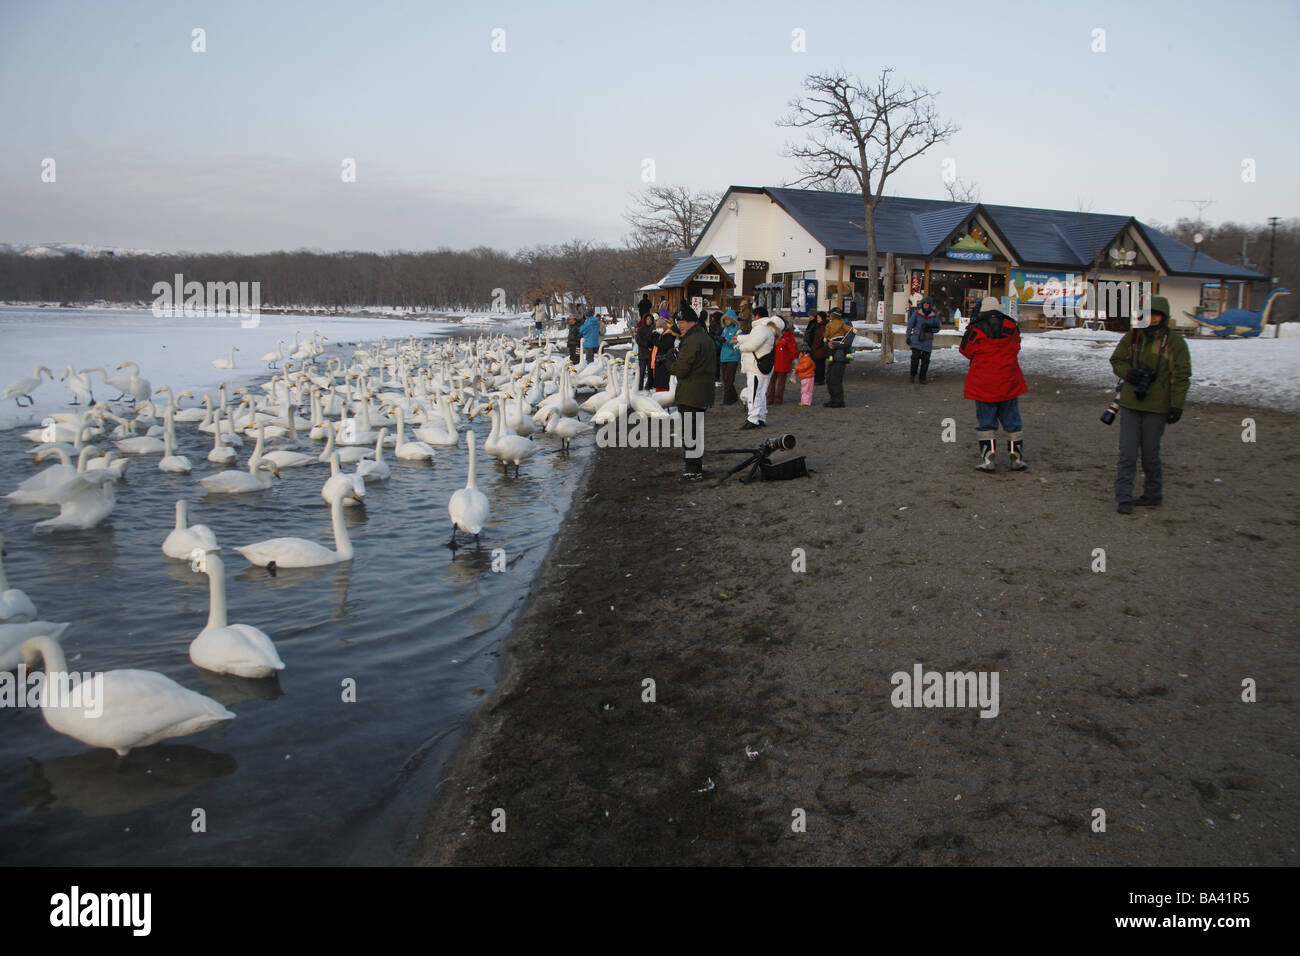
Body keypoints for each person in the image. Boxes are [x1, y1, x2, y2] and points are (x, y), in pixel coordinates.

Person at [1109, 295, 1191, 515]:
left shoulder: (1174, 342)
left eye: (1156, 315)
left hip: (1157, 406)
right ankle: (1124, 497)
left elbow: (1182, 375)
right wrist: (1129, 374)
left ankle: (1153, 494)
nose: (1152, 319)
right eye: (1148, 314)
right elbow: (1116, 360)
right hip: (1131, 403)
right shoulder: (1133, 336)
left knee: (1149, 454)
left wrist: (1176, 405)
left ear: (1164, 317)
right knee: (1127, 453)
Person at [960, 296, 1028, 473]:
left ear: (983, 309)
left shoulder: (975, 328)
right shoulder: (1011, 326)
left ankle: (988, 460)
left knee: (986, 422)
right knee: (1012, 421)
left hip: (984, 381)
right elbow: (1016, 347)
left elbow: (965, 350)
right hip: (1008, 380)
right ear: (999, 308)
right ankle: (1016, 459)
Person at [670, 305, 715, 480]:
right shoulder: (704, 337)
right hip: (701, 393)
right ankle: (696, 468)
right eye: (678, 323)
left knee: (690, 434)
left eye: (681, 322)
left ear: (691, 322)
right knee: (695, 432)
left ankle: (692, 471)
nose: (679, 326)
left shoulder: (692, 341)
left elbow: (681, 370)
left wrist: (669, 365)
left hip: (691, 394)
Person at [736, 307, 780, 430]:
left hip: (757, 367)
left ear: (757, 316)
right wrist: (740, 338)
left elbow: (753, 344)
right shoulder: (766, 329)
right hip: (764, 365)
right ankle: (760, 417)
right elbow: (752, 338)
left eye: (753, 315)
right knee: (761, 393)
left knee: (754, 392)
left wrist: (740, 346)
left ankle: (753, 419)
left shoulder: (760, 328)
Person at [906, 296, 942, 384]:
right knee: (915, 360)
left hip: (928, 341)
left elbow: (938, 327)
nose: (925, 305)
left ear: (930, 305)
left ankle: (922, 378)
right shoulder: (917, 313)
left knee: (925, 361)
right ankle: (912, 375)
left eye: (927, 303)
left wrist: (931, 329)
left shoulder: (934, 315)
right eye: (924, 303)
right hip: (916, 340)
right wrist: (908, 336)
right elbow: (910, 325)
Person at [822, 308, 854, 407]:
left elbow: (847, 342)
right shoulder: (831, 325)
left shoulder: (847, 327)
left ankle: (839, 401)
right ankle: (833, 399)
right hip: (832, 355)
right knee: (829, 379)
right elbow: (826, 340)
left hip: (841, 356)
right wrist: (828, 344)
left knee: (836, 379)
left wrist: (834, 345)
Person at [767, 318, 798, 405]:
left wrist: (795, 360)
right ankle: (770, 398)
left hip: (783, 362)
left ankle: (777, 399)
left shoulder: (787, 336)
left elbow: (793, 349)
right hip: (774, 362)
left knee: (780, 383)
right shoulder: (775, 335)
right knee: (771, 382)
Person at [649, 315, 678, 392]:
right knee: (659, 383)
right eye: (657, 327)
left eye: (660, 326)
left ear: (664, 326)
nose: (658, 329)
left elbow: (663, 345)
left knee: (663, 384)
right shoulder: (661, 335)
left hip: (664, 364)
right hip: (659, 362)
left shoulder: (669, 335)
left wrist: (654, 339)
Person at [719, 310, 741, 404]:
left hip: (733, 357)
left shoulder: (738, 331)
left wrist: (726, 340)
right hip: (724, 357)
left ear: (733, 319)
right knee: (726, 379)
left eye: (728, 319)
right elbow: (721, 344)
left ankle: (727, 400)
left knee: (729, 379)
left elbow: (736, 345)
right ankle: (734, 396)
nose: (726, 321)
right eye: (725, 319)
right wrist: (717, 340)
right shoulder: (725, 329)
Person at [806, 311, 829, 385]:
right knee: (818, 365)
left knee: (819, 365)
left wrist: (815, 346)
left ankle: (819, 379)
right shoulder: (819, 325)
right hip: (817, 349)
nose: (817, 319)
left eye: (818, 317)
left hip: (819, 349)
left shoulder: (823, 326)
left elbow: (821, 338)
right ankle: (818, 379)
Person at [634, 312, 656, 389]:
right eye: (647, 319)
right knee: (641, 372)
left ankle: (648, 387)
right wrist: (647, 345)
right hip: (643, 354)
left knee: (650, 372)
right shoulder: (640, 330)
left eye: (650, 319)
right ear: (644, 320)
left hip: (651, 355)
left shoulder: (654, 329)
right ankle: (640, 387)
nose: (649, 320)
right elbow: (638, 340)